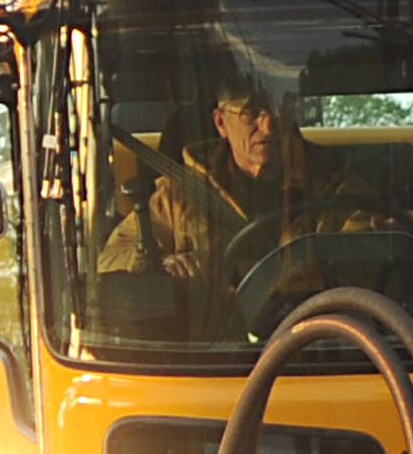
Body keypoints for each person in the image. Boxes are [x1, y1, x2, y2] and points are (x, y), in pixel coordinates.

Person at [99, 69, 395, 330]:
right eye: (252, 113)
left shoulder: (337, 188)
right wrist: (157, 262)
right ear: (220, 123)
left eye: (279, 111)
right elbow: (110, 259)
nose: (268, 127)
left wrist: (354, 247)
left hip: (320, 356)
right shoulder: (178, 197)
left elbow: (373, 251)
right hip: (205, 364)